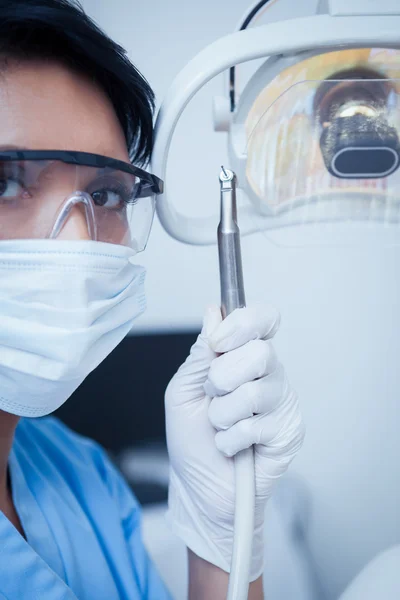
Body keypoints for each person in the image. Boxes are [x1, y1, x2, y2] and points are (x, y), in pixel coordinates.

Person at [0, 1, 305, 598]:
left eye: (108, 196)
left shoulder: (81, 476)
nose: (78, 244)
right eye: (5, 183)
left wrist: (223, 535)